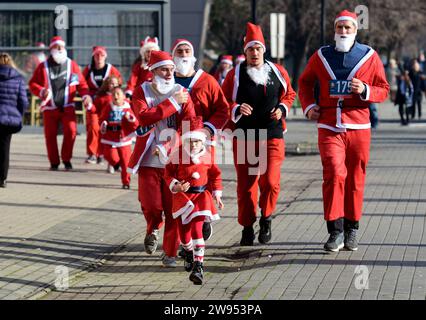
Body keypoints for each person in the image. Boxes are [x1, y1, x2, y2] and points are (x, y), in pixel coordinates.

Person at [298, 10, 389, 252]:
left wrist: (366, 90)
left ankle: (352, 229)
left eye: (348, 28)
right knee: (334, 173)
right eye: (340, 28)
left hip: (359, 124)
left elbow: (384, 88)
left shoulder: (369, 56)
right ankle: (334, 230)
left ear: (356, 30)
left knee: (355, 178)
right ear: (334, 30)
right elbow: (305, 82)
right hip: (329, 124)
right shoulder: (321, 55)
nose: (344, 32)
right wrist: (308, 106)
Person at [222, 22, 296, 246]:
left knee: (271, 181)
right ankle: (246, 227)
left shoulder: (277, 70)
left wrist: (282, 108)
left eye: (258, 49)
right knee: (246, 186)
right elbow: (221, 100)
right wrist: (235, 108)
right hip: (244, 137)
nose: (254, 53)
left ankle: (266, 217)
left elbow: (289, 94)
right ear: (245, 51)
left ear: (264, 50)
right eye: (250, 49)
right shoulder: (235, 74)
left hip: (272, 134)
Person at [127, 50, 196, 267]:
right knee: (151, 205)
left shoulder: (182, 92)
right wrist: (172, 104)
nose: (169, 73)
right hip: (147, 159)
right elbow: (144, 116)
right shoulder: (142, 91)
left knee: (172, 208)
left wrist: (176, 143)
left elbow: (189, 123)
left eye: (171, 70)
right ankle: (153, 227)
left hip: (173, 160)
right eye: (164, 69)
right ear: (153, 71)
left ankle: (170, 253)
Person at [171, 38, 229, 242]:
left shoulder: (207, 81)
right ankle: (185, 230)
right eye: (180, 51)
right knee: (180, 180)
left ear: (193, 55)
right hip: (175, 141)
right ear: (173, 56)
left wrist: (209, 129)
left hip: (202, 141)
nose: (184, 54)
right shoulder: (167, 82)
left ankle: (205, 217)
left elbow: (223, 109)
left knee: (204, 176)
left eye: (187, 50)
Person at [165, 117, 224, 285]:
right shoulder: (177, 155)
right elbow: (167, 173)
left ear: (202, 141)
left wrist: (217, 194)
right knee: (184, 236)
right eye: (190, 142)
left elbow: (215, 175)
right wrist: (175, 185)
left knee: (197, 230)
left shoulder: (208, 156)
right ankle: (188, 252)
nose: (193, 145)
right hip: (182, 199)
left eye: (197, 142)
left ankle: (199, 266)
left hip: (201, 198)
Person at [29, 36, 92, 170]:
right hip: (50, 107)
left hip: (67, 107)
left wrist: (86, 95)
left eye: (61, 47)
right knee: (50, 135)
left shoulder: (71, 65)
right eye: (56, 47)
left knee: (71, 131)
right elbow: (32, 83)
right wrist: (41, 91)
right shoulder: (43, 66)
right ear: (51, 49)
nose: (59, 49)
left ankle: (67, 159)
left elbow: (81, 83)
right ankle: (54, 162)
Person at [82, 46, 122, 165]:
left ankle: (105, 153)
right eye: (97, 55)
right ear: (93, 57)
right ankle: (92, 154)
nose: (99, 57)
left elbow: (119, 84)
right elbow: (82, 84)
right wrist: (86, 96)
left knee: (108, 128)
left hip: (108, 103)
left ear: (105, 56)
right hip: (93, 102)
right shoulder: (88, 70)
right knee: (93, 126)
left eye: (102, 55)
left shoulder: (111, 69)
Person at [98, 86, 138, 188]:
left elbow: (136, 124)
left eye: (118, 94)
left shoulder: (127, 108)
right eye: (113, 94)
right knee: (109, 155)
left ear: (123, 96)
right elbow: (102, 119)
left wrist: (131, 119)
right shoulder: (108, 107)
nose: (115, 96)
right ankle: (116, 165)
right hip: (110, 137)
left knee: (126, 162)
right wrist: (103, 124)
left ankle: (126, 182)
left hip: (124, 138)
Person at [0, 53, 29, 188]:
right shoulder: (18, 79)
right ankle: (3, 179)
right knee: (5, 149)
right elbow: (23, 101)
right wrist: (18, 114)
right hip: (9, 120)